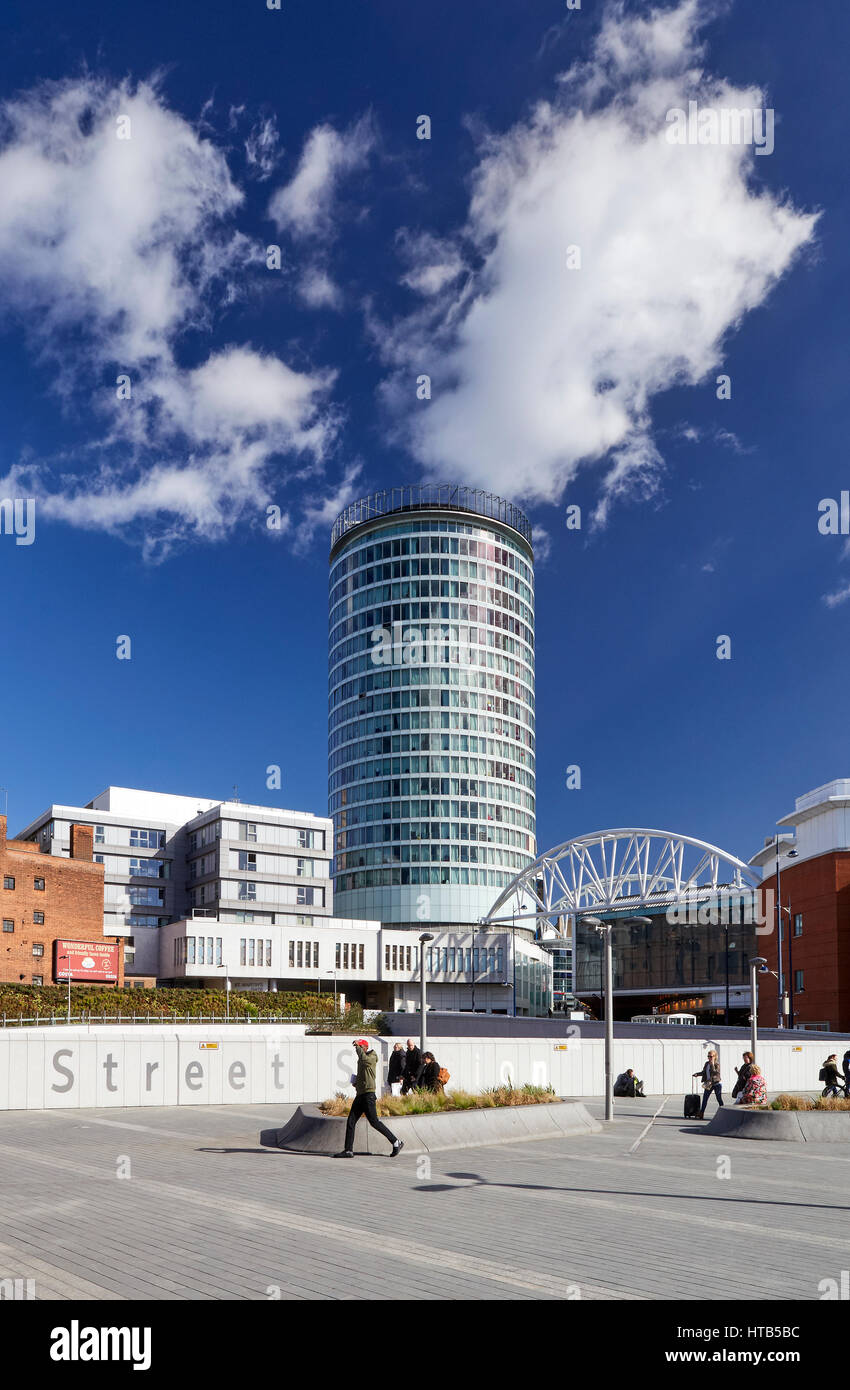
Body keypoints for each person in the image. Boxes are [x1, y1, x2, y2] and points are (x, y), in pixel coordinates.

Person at [336, 1040, 404, 1158]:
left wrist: (358, 1047)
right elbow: (365, 1074)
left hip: (368, 1095)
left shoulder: (371, 1056)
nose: (357, 1049)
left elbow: (364, 1059)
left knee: (374, 1122)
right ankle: (348, 1150)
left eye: (360, 1047)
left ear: (365, 1047)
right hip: (361, 1094)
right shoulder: (362, 1059)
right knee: (351, 1121)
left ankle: (396, 1142)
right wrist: (357, 1083)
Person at [694, 1049, 723, 1118]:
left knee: (719, 1098)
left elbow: (715, 1072)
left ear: (715, 1056)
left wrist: (712, 1064)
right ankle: (701, 1113)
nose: (709, 1058)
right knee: (705, 1099)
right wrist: (697, 1074)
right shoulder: (706, 1063)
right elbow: (704, 1072)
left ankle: (724, 1112)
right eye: (708, 1056)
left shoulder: (717, 1064)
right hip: (709, 1083)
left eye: (711, 1056)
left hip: (716, 1083)